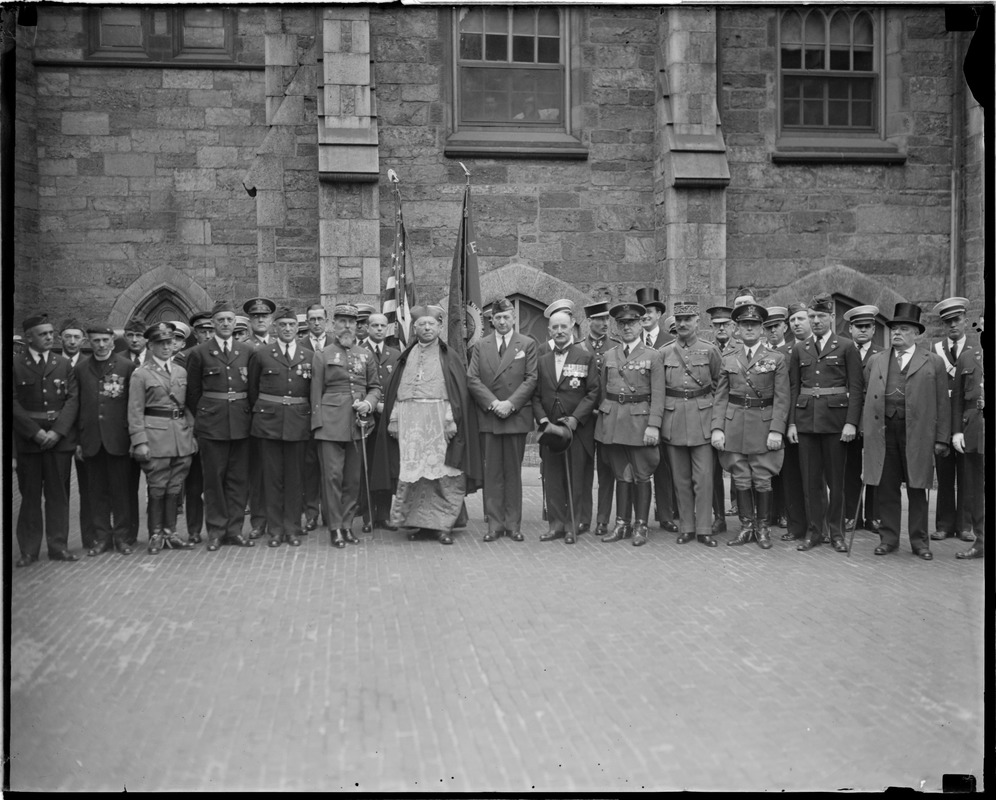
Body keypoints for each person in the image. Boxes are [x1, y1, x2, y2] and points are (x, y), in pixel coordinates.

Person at [372, 305, 482, 544]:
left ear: (439, 327)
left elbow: (456, 392)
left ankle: (443, 525)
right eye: (422, 324)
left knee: (443, 473)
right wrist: (393, 419)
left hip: (439, 422)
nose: (427, 328)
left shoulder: (449, 356)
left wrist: (451, 419)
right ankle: (419, 524)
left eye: (431, 324)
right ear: (415, 328)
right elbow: (397, 392)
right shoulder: (406, 357)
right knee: (416, 475)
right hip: (411, 424)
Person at [861, 303, 949, 560]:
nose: (897, 333)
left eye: (903, 329)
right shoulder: (877, 361)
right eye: (894, 329)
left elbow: (943, 402)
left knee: (917, 486)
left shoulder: (933, 362)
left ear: (916, 333)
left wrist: (942, 438)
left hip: (918, 433)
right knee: (886, 487)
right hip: (884, 430)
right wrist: (865, 430)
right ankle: (888, 539)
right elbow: (868, 395)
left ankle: (919, 542)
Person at [788, 293, 863, 553]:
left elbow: (856, 387)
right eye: (812, 317)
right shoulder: (800, 348)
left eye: (821, 316)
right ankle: (814, 532)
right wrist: (792, 424)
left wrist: (851, 423)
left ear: (832, 318)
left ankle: (837, 533)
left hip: (836, 423)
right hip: (806, 422)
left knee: (836, 482)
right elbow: (794, 387)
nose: (816, 321)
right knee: (811, 483)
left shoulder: (846, 346)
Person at [711, 303, 790, 549]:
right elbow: (721, 397)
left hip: (764, 425)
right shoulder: (728, 359)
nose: (749, 328)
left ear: (762, 329)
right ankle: (746, 527)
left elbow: (782, 397)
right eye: (744, 324)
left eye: (754, 325)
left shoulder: (776, 359)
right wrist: (717, 428)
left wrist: (777, 429)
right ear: (737, 328)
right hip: (734, 424)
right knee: (741, 477)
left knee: (762, 478)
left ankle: (763, 528)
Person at [185, 300, 255, 551]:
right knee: (213, 480)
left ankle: (234, 530)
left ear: (235, 323)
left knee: (238, 480)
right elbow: (192, 393)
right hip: (211, 425)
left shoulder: (247, 351)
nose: (225, 324)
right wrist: (203, 418)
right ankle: (215, 530)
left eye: (229, 320)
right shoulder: (199, 353)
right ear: (212, 324)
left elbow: (253, 390)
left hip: (240, 423)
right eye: (220, 320)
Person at [467, 296, 539, 542]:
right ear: (491, 320)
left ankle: (513, 524)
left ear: (514, 318)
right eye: (497, 317)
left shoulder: (527, 344)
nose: (502, 321)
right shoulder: (481, 345)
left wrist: (510, 404)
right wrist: (493, 403)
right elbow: (472, 379)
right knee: (493, 472)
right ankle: (495, 524)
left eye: (506, 316)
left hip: (515, 415)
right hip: (490, 416)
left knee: (512, 472)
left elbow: (531, 379)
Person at [310, 303, 382, 548]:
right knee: (332, 477)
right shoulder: (323, 354)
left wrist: (369, 405)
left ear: (357, 325)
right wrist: (317, 425)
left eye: (352, 322)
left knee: (353, 479)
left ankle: (348, 525)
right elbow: (315, 393)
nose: (347, 326)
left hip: (358, 424)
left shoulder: (365, 354)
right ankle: (335, 527)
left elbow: (375, 387)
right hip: (330, 425)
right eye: (342, 321)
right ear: (334, 324)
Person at [12, 314, 81, 566]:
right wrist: (34, 432)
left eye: (51, 333)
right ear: (29, 337)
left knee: (57, 496)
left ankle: (58, 546)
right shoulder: (15, 364)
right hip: (29, 443)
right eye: (43, 334)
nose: (50, 337)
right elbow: (12, 402)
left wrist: (57, 432)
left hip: (58, 443)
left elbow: (72, 401)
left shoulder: (63, 364)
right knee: (29, 497)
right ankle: (29, 550)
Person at [595, 302, 665, 546]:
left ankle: (641, 525)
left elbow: (659, 395)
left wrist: (654, 425)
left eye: (632, 323)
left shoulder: (652, 356)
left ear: (640, 324)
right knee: (621, 474)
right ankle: (622, 524)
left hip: (640, 422)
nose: (627, 327)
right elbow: (603, 392)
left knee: (642, 474)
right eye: (622, 323)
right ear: (617, 326)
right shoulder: (608, 356)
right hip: (614, 422)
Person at [532, 303, 600, 544]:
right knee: (553, 477)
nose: (559, 331)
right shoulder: (542, 359)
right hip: (551, 430)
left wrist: (574, 419)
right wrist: (542, 419)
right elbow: (536, 396)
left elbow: (593, 392)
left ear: (572, 327)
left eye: (564, 326)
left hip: (576, 430)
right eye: (555, 327)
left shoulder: (585, 356)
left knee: (576, 478)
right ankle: (556, 525)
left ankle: (573, 525)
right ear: (549, 330)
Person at [128, 322, 197, 554]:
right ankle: (155, 534)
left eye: (170, 342)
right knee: (157, 486)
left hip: (181, 437)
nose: (167, 347)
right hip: (155, 437)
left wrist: (191, 434)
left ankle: (172, 532)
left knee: (175, 486)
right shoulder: (141, 374)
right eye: (161, 343)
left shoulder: (181, 371)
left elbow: (186, 405)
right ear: (151, 345)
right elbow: (135, 411)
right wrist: (139, 441)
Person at [247, 307, 312, 547]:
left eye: (291, 325)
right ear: (275, 327)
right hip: (269, 424)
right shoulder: (262, 354)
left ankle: (292, 528)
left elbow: (311, 392)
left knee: (295, 479)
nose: (286, 329)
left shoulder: (309, 356)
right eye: (282, 325)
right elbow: (253, 390)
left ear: (297, 328)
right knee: (271, 478)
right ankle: (275, 530)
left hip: (297, 423)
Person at [662, 300, 723, 547]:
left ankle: (704, 528)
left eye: (688, 319)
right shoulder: (664, 353)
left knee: (704, 477)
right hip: (674, 418)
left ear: (698, 321)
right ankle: (686, 527)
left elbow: (721, 388)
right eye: (679, 320)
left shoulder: (709, 351)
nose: (683, 324)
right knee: (681, 478)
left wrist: (717, 422)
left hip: (702, 419)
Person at [75, 322, 136, 556]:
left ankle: (122, 537)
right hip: (91, 440)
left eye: (104, 340)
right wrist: (78, 441)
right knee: (96, 492)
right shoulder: (81, 369)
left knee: (121, 492)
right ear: (89, 343)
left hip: (118, 440)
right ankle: (101, 538)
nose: (100, 345)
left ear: (112, 341)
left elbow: (132, 404)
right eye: (95, 341)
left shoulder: (126, 366)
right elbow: (76, 405)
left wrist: (132, 438)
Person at [930, 296, 975, 542]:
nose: (953, 326)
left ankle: (965, 525)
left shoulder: (977, 349)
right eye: (948, 323)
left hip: (968, 419)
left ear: (966, 321)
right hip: (943, 418)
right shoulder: (935, 350)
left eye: (957, 320)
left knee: (968, 473)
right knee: (944, 474)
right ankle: (944, 524)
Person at [577, 301, 620, 535]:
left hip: (607, 417)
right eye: (599, 319)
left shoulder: (616, 347)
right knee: (583, 468)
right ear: (589, 321)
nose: (604, 324)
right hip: (584, 419)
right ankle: (584, 518)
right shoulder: (579, 348)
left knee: (606, 470)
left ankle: (603, 519)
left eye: (606, 319)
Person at [842, 305, 883, 534]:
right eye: (858, 326)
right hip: (848, 417)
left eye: (867, 326)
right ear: (850, 328)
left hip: (873, 418)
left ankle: (873, 516)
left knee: (874, 466)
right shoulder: (844, 350)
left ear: (874, 328)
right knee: (851, 468)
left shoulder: (882, 353)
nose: (863, 330)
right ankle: (852, 515)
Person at [173, 311, 213, 544]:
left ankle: (218, 527)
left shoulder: (221, 354)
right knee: (194, 483)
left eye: (210, 330)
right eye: (202, 331)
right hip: (194, 426)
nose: (206, 335)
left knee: (217, 481)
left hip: (217, 427)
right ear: (195, 333)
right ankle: (194, 529)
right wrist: (193, 421)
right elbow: (183, 394)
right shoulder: (183, 357)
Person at [359, 312, 401, 531]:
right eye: (374, 325)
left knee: (385, 467)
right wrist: (373, 405)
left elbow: (400, 387)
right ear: (366, 327)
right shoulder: (358, 352)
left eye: (382, 326)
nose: (378, 329)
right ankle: (368, 516)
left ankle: (384, 514)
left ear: (387, 328)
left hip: (388, 419)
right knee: (367, 468)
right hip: (365, 419)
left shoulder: (394, 354)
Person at [952, 309, 984, 559]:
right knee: (974, 487)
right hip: (973, 429)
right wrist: (956, 432)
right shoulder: (968, 358)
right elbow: (957, 401)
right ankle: (981, 540)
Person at [60, 318, 95, 550]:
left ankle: (90, 538)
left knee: (89, 489)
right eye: (67, 337)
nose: (72, 342)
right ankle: (60, 542)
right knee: (59, 491)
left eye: (76, 337)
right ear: (60, 338)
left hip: (84, 435)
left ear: (83, 340)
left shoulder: (90, 363)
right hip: (59, 436)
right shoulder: (52, 363)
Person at [706, 304, 738, 530]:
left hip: (737, 415)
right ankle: (719, 516)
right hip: (711, 416)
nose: (721, 328)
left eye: (725, 324)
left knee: (742, 466)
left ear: (733, 326)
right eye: (716, 325)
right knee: (713, 469)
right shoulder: (707, 349)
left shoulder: (742, 348)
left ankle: (749, 516)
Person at [300, 302, 331, 532]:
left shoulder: (336, 345)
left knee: (330, 467)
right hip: (305, 416)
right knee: (309, 467)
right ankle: (311, 513)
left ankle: (330, 513)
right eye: (312, 319)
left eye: (320, 318)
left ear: (326, 320)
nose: (317, 323)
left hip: (331, 416)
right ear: (307, 322)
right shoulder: (300, 347)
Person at [763, 306, 790, 528]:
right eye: (768, 327)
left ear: (785, 327)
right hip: (763, 417)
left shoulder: (794, 350)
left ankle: (784, 511)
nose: (772, 331)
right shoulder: (761, 352)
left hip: (786, 417)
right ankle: (769, 513)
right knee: (766, 468)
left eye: (776, 326)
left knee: (786, 470)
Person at [121, 316, 147, 546]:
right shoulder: (117, 362)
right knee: (127, 486)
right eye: (130, 335)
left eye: (139, 335)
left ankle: (157, 532)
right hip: (124, 434)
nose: (135, 339)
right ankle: (129, 534)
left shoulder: (156, 360)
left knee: (158, 485)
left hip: (155, 431)